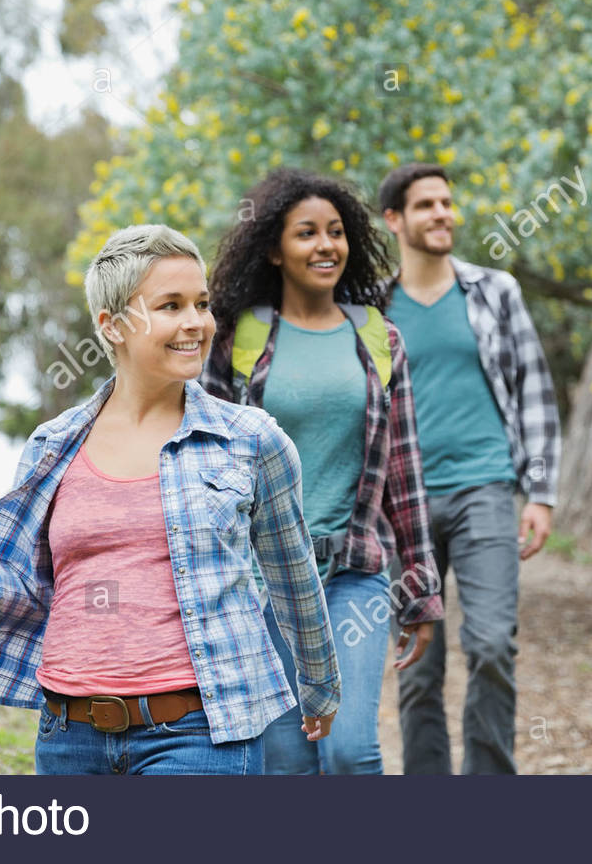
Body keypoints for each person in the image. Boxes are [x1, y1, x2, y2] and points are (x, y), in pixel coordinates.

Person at [0, 224, 340, 775]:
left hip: (199, 735)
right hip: (68, 736)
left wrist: (319, 682)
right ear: (112, 326)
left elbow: (292, 573)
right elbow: (28, 589)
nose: (196, 323)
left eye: (202, 304)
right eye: (170, 306)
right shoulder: (53, 445)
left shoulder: (250, 440)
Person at [201, 169, 443, 774]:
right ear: (273, 249)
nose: (326, 245)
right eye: (306, 233)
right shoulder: (237, 338)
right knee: (285, 762)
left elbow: (404, 472)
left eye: (336, 232)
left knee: (349, 751)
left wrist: (420, 587)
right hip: (262, 580)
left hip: (354, 574)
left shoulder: (379, 338)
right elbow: (202, 467)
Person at [378, 163, 561, 775]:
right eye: (426, 204)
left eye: (447, 203)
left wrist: (540, 493)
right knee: (418, 662)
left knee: (490, 647)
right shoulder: (369, 307)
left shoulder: (493, 290)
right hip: (403, 505)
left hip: (485, 487)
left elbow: (534, 387)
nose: (442, 214)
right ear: (394, 220)